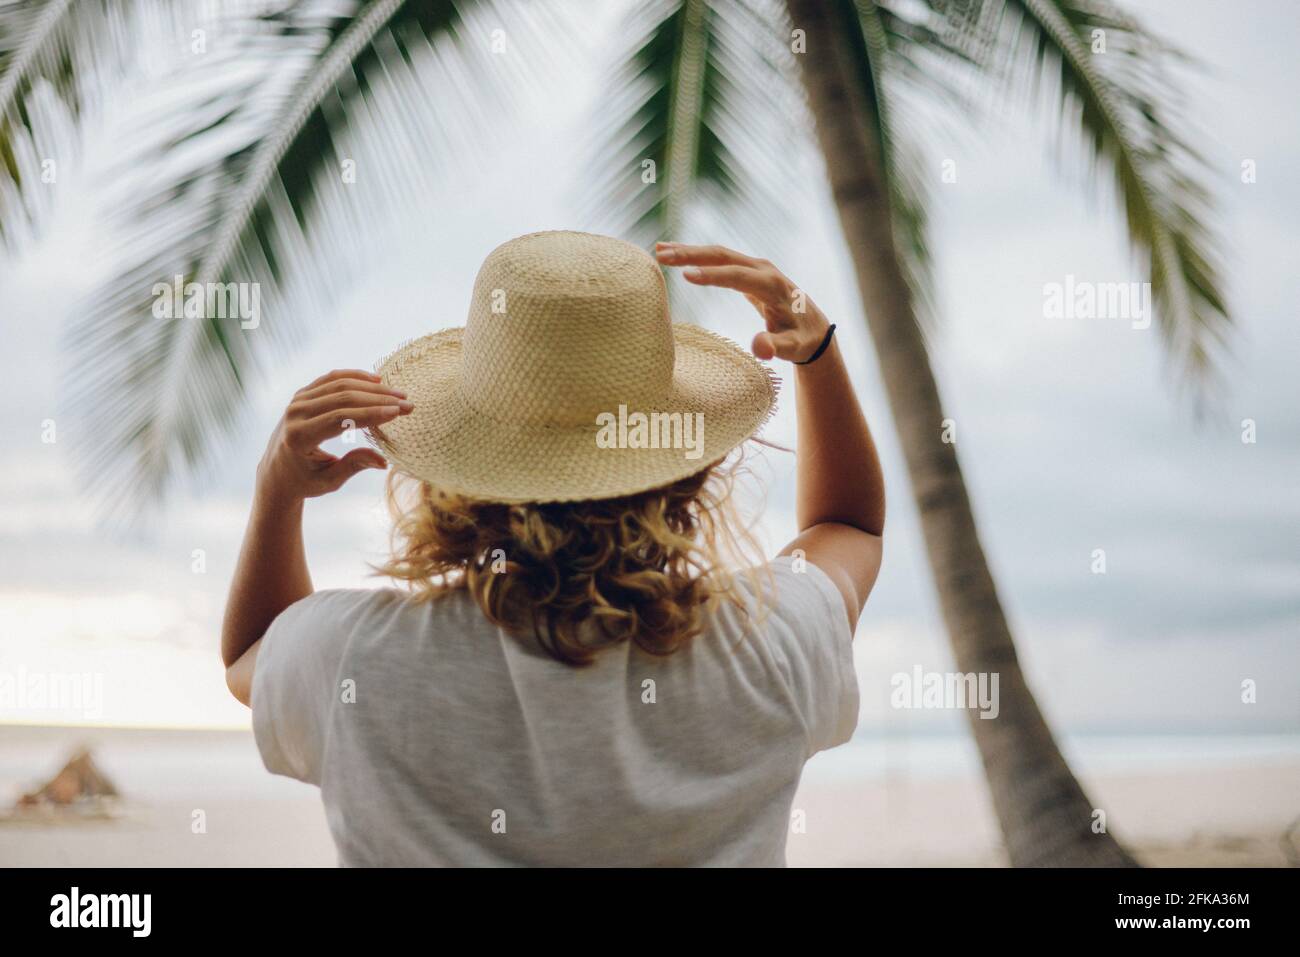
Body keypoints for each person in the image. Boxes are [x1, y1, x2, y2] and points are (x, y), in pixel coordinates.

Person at [222, 230, 884, 866]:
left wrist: (277, 487)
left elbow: (251, 650)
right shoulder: (763, 648)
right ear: (686, 472)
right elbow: (850, 525)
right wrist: (818, 355)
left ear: (454, 481)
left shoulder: (354, 660)